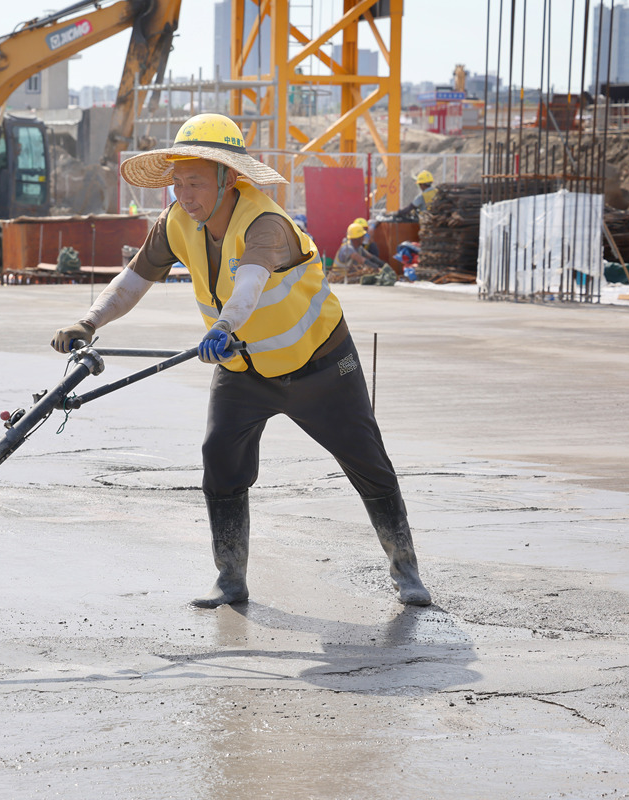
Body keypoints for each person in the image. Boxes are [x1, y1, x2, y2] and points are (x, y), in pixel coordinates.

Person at [50, 113, 430, 609]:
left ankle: (406, 571)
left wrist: (224, 327)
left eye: (197, 183)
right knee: (220, 460)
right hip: (243, 369)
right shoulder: (176, 223)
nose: (185, 195)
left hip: (320, 366)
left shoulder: (266, 223)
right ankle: (230, 578)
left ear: (228, 179)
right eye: (178, 183)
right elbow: (134, 279)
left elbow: (249, 283)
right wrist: (90, 321)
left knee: (368, 464)